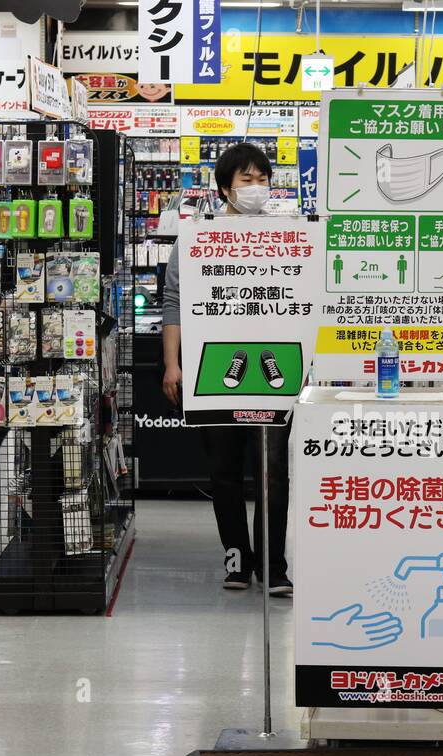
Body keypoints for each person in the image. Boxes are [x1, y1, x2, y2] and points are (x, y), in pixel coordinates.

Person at [161, 143, 294, 596]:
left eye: (262, 180)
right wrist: (171, 364)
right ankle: (237, 557)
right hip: (211, 365)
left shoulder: (286, 235)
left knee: (273, 467)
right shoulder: (197, 236)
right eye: (246, 180)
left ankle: (274, 564)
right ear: (223, 188)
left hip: (275, 368)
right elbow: (174, 301)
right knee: (224, 468)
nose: (256, 188)